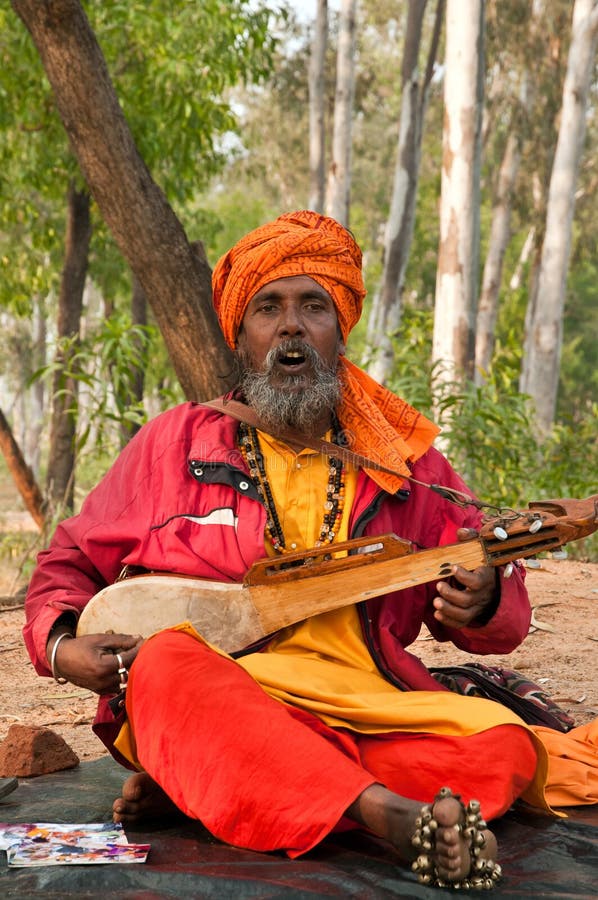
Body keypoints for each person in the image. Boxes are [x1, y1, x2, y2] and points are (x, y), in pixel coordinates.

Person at [23, 211, 595, 890]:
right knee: (165, 666)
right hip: (218, 699)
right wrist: (63, 648)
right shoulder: (176, 444)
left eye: (312, 306)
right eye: (269, 307)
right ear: (242, 334)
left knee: (501, 749)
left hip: (361, 707)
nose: (290, 326)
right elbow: (65, 565)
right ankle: (387, 816)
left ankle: (224, 792)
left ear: (338, 331)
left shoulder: (404, 462)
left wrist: (487, 598)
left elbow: (498, 624)